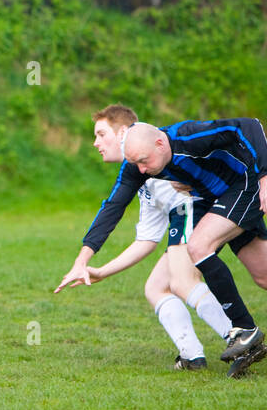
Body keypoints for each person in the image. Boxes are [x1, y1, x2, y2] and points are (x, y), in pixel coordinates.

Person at [56, 109, 267, 377]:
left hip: (243, 185)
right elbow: (113, 208)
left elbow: (248, 125)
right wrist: (83, 260)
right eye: (137, 165)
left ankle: (244, 330)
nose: (143, 171)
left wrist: (266, 176)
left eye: (145, 162)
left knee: (198, 248)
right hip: (213, 198)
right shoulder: (138, 165)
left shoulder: (189, 136)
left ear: (160, 143)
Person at [56, 107, 233, 370]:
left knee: (184, 281)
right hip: (186, 215)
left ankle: (238, 337)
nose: (96, 143)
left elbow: (112, 208)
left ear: (124, 133)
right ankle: (192, 356)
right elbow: (147, 241)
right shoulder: (141, 172)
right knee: (155, 288)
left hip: (197, 209)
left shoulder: (155, 154)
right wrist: (102, 272)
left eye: (101, 134)